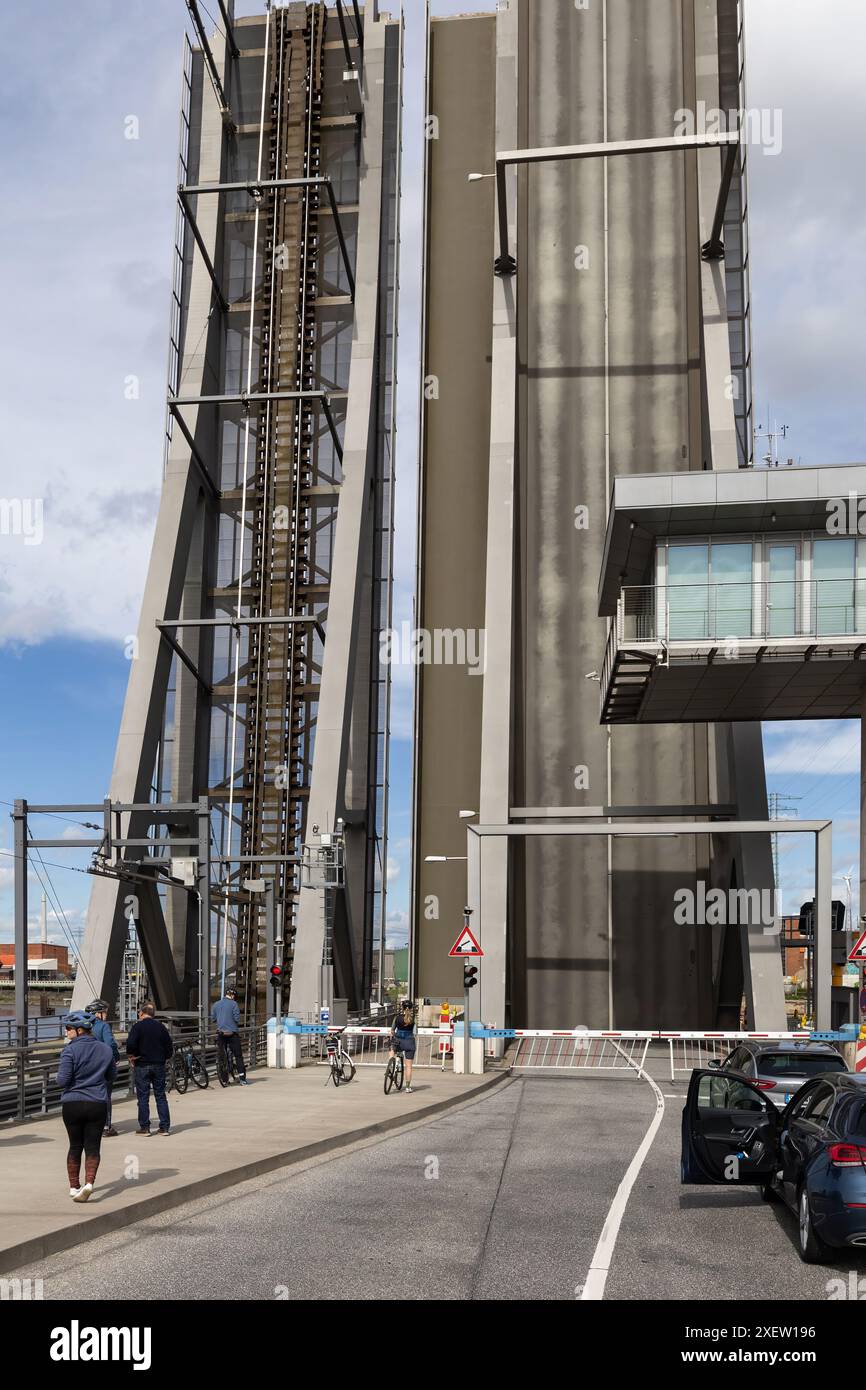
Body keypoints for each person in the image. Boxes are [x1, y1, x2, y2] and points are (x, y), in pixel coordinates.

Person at [56, 1010, 114, 1202]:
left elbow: (62, 1080)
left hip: (72, 1104)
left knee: (75, 1146)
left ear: (80, 1030)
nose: (66, 1032)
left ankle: (74, 1187)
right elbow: (111, 1077)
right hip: (97, 1103)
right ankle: (89, 1183)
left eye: (69, 1028)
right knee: (93, 1146)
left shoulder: (69, 1050)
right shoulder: (106, 1050)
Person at [125, 1003, 173, 1135]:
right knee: (160, 1096)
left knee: (143, 1097)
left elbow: (131, 1043)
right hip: (159, 1064)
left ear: (141, 1013)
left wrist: (131, 1056)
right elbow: (169, 1046)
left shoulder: (137, 1026)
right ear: (153, 1015)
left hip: (142, 1064)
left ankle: (145, 1127)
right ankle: (164, 1127)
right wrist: (166, 1057)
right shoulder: (161, 1027)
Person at [87, 999, 120, 1136]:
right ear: (98, 1014)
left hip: (89, 1067)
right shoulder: (103, 1026)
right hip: (103, 1067)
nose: (106, 1014)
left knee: (90, 1096)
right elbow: (110, 1044)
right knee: (105, 1096)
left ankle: (91, 1125)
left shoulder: (85, 1026)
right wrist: (116, 1057)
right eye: (104, 1012)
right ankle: (106, 1127)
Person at [211, 986, 249, 1085]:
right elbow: (237, 1019)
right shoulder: (234, 1004)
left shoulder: (216, 1004)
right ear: (233, 995)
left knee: (221, 1056)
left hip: (221, 1033)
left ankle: (224, 1079)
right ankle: (242, 1079)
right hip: (232, 1034)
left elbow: (213, 1019)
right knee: (238, 1056)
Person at [389, 998, 417, 1093]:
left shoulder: (397, 1018)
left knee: (392, 1048)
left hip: (398, 1042)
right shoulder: (413, 1019)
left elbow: (392, 1031)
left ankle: (391, 1065)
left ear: (402, 1007)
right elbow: (415, 1032)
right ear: (411, 1008)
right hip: (409, 1043)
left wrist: (394, 1035)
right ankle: (408, 1087)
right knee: (408, 1066)